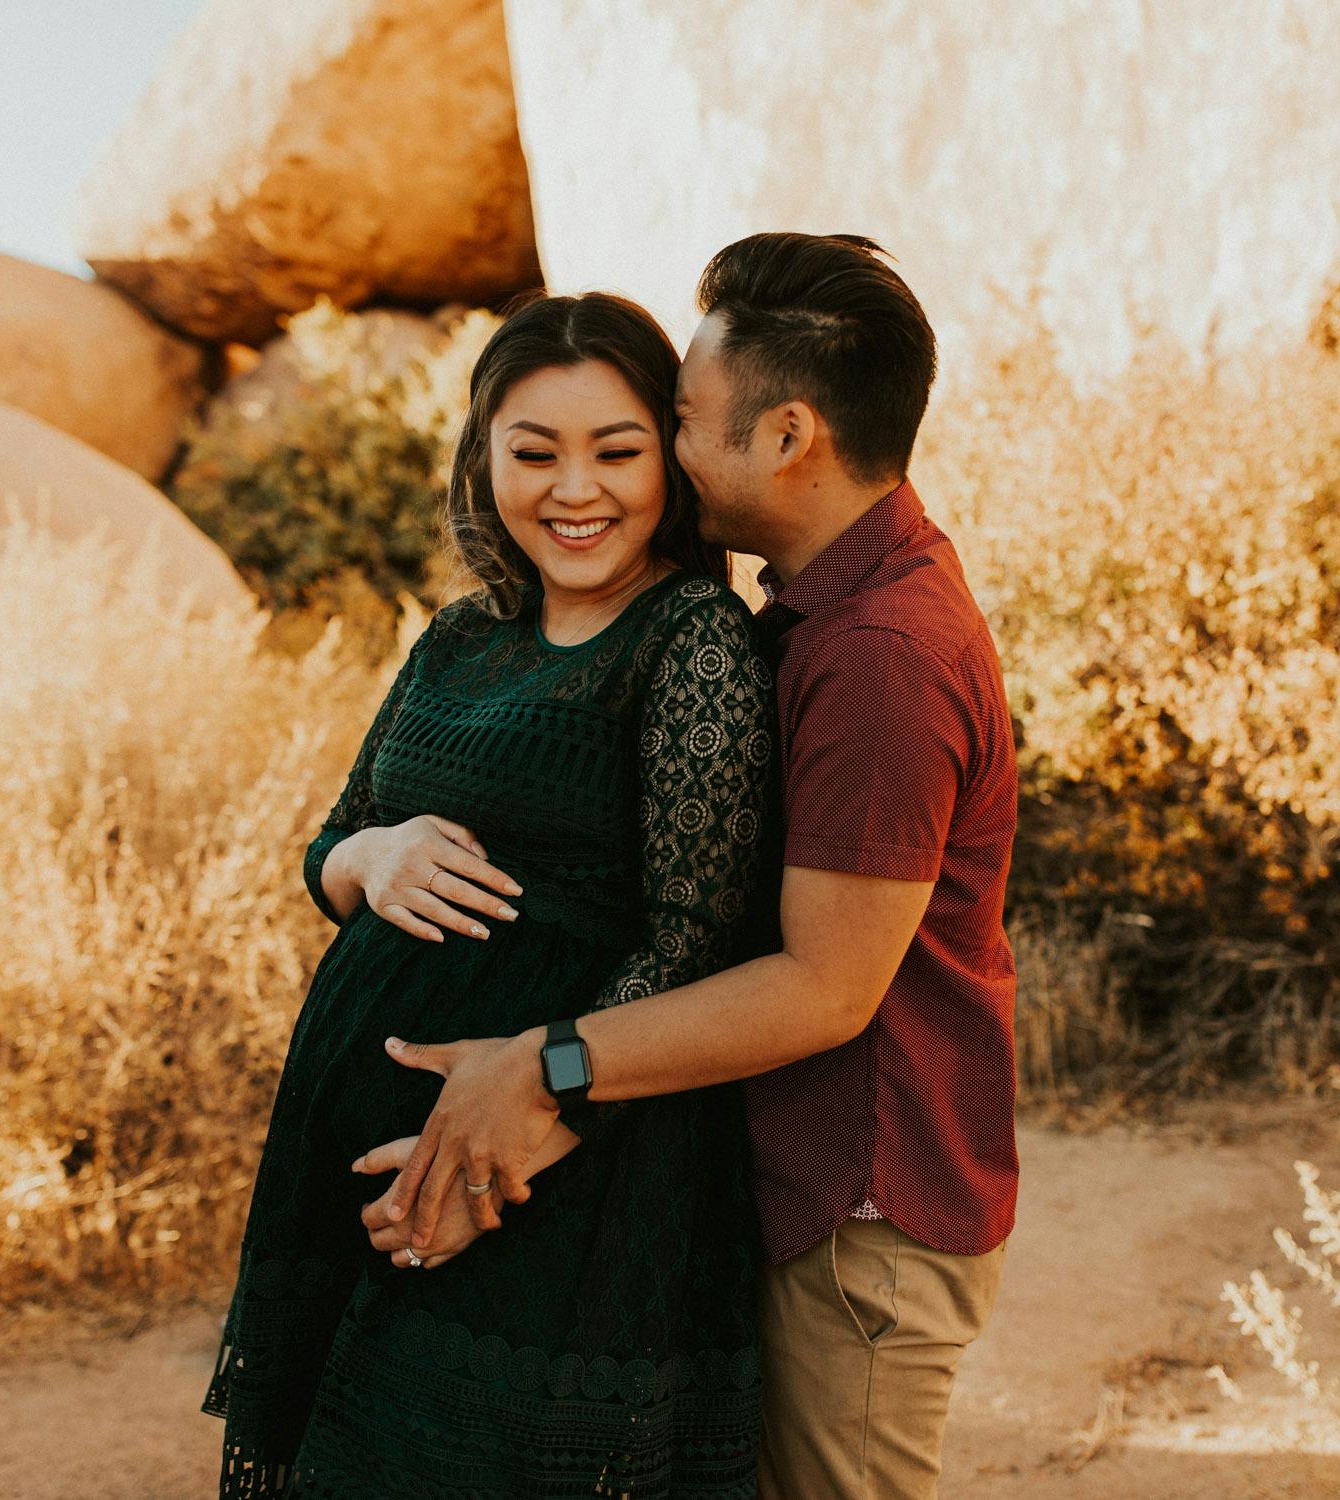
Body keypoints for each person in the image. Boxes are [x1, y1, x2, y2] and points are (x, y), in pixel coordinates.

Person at [363, 233, 1022, 1500]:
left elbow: (826, 989)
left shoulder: (884, 653)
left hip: (859, 1218)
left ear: (786, 437)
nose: (660, 449)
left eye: (678, 419)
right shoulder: (813, 604)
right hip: (781, 1188)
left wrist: (546, 1066)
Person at [199, 289, 782, 1498]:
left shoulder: (692, 640)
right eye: (535, 452)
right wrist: (379, 854)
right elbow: (330, 848)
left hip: (557, 1180)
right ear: (485, 462)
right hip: (361, 1172)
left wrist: (502, 1145)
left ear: (668, 465)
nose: (577, 490)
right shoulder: (461, 637)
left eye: (617, 452)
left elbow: (696, 939)